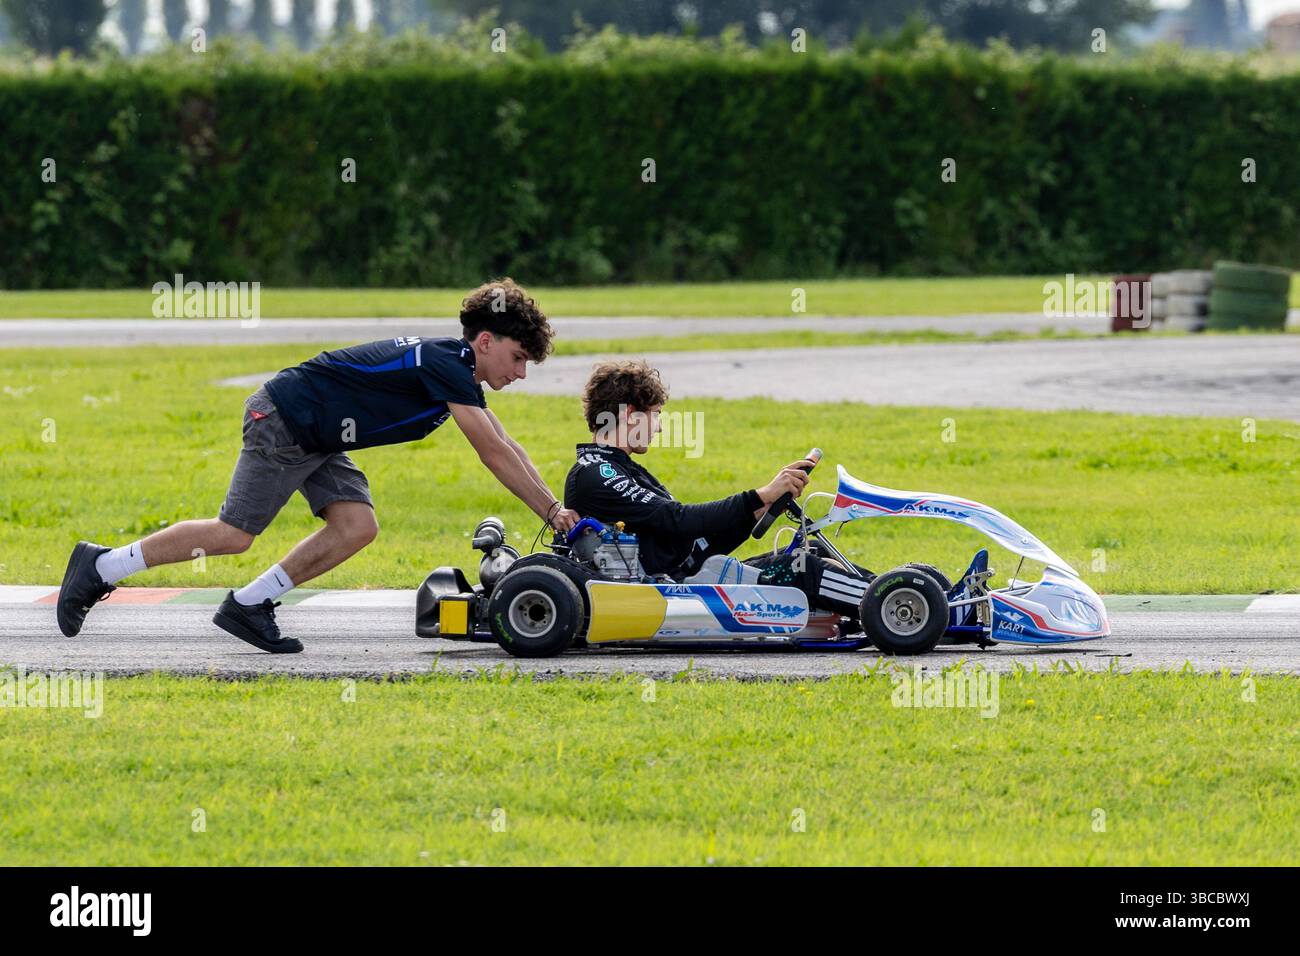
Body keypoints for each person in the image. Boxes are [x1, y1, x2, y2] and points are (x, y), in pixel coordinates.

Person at [57, 278, 580, 652]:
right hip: (284, 418)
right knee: (234, 533)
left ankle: (249, 604)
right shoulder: (448, 364)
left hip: (319, 434)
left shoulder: (456, 369)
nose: (521, 374)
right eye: (518, 358)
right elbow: (491, 453)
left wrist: (556, 509)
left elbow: (504, 443)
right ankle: (101, 566)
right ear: (485, 341)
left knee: (356, 526)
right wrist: (551, 510)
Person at [563, 360, 873, 616]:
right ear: (630, 414)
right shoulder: (596, 472)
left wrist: (759, 510)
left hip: (685, 578)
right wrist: (760, 495)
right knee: (803, 569)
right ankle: (892, 605)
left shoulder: (621, 468)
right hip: (667, 591)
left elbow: (697, 546)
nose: (658, 427)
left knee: (810, 551)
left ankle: (901, 591)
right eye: (656, 416)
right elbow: (679, 519)